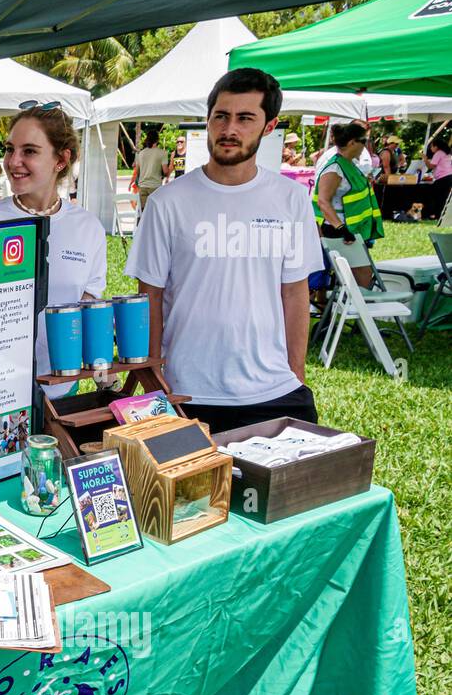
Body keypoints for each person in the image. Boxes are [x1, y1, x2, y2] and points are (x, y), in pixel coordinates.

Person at [124, 68, 319, 435]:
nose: (230, 129)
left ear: (269, 125)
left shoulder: (290, 199)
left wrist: (296, 372)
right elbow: (149, 295)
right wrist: (154, 380)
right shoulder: (168, 202)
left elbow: (295, 292)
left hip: (274, 389)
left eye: (246, 118)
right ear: (208, 119)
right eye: (221, 116)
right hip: (187, 393)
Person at [0, 104, 108, 399]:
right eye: (9, 149)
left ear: (61, 159)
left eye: (29, 151)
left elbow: (87, 310)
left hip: (61, 391)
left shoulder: (87, 228)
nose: (13, 161)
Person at [314, 120, 383, 289]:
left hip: (350, 230)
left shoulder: (349, 164)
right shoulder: (335, 168)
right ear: (352, 142)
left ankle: (351, 310)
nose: (365, 146)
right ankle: (358, 312)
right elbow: (323, 201)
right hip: (339, 231)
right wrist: (342, 229)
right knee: (362, 274)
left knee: (361, 274)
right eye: (364, 141)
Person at [131, 130, 170, 214]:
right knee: (155, 213)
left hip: (143, 187)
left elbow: (137, 171)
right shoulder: (162, 153)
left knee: (144, 212)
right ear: (157, 140)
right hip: (155, 187)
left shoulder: (141, 153)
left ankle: (143, 227)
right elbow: (165, 171)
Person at [422, 137, 452, 218]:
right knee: (443, 197)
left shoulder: (438, 153)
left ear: (436, 147)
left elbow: (431, 166)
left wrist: (425, 159)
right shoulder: (447, 153)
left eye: (432, 146)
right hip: (449, 177)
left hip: (442, 178)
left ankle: (434, 214)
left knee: (436, 196)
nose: (431, 148)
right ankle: (440, 215)